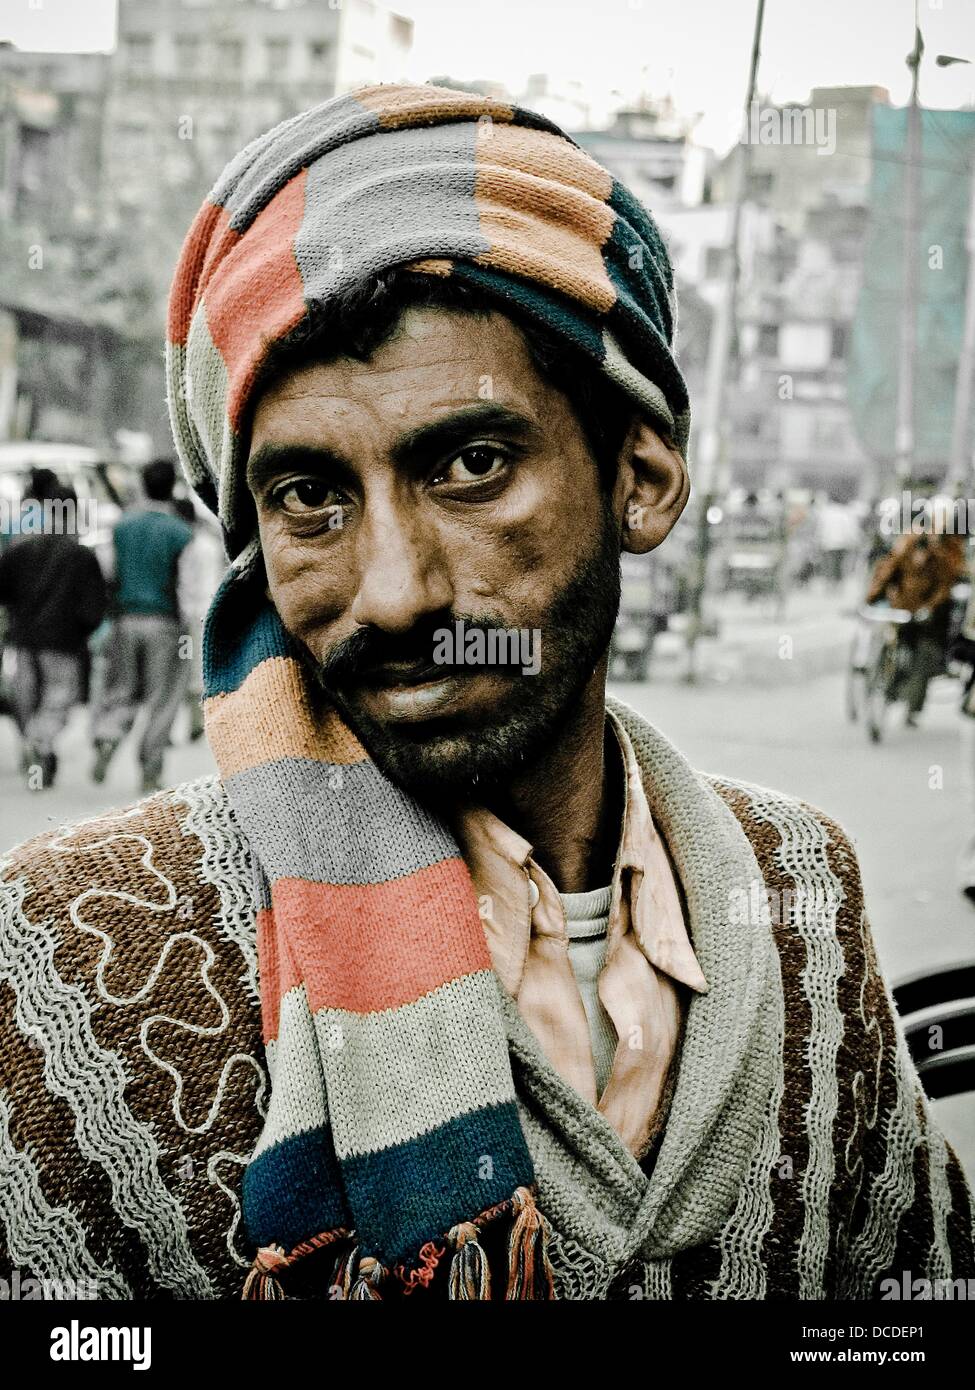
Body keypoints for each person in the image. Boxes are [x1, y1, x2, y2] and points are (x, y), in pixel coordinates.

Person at [0, 85, 970, 1302]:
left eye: (471, 464)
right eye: (310, 496)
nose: (395, 594)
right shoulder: (72, 950)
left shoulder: (797, 888)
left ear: (644, 475)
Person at [90, 457, 193, 791]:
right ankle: (150, 768)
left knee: (122, 689)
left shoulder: (122, 526)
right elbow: (187, 585)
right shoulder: (180, 532)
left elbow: (108, 574)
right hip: (164, 622)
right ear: (171, 487)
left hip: (125, 619)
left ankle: (108, 736)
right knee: (162, 699)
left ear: (144, 484)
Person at [0, 479, 107, 786]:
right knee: (57, 700)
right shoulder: (81, 556)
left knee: (26, 699)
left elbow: (3, 592)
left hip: (23, 641)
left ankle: (34, 750)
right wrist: (83, 631)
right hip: (63, 642)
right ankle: (40, 743)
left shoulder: (19, 550)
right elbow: (93, 605)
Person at [865, 519, 967, 726]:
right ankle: (889, 682)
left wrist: (928, 608)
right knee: (894, 642)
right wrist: (871, 598)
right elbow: (886, 574)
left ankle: (912, 707)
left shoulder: (940, 558)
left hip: (928, 619)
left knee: (924, 655)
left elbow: (944, 588)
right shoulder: (904, 552)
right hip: (902, 611)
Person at [173, 496, 225, 740]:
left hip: (191, 615)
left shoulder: (188, 545)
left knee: (187, 668)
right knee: (199, 669)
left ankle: (193, 720)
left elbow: (185, 584)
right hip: (209, 612)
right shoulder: (211, 544)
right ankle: (198, 720)